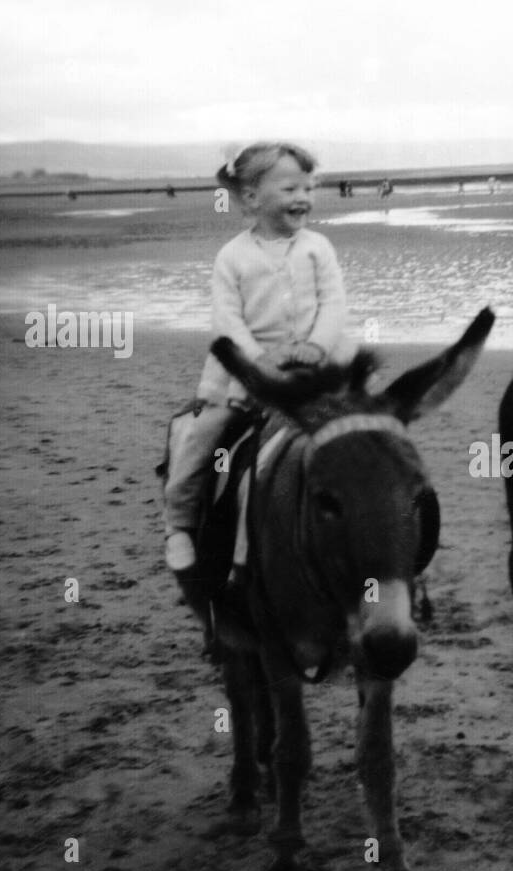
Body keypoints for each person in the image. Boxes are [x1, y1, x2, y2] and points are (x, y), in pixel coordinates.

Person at [163, 141, 354, 580]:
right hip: (250, 377)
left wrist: (318, 346)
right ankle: (180, 523)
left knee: (370, 426)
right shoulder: (232, 256)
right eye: (289, 189)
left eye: (308, 187)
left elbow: (334, 305)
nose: (302, 197)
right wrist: (256, 362)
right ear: (251, 197)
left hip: (315, 366)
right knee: (201, 437)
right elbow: (226, 321)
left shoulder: (318, 247)